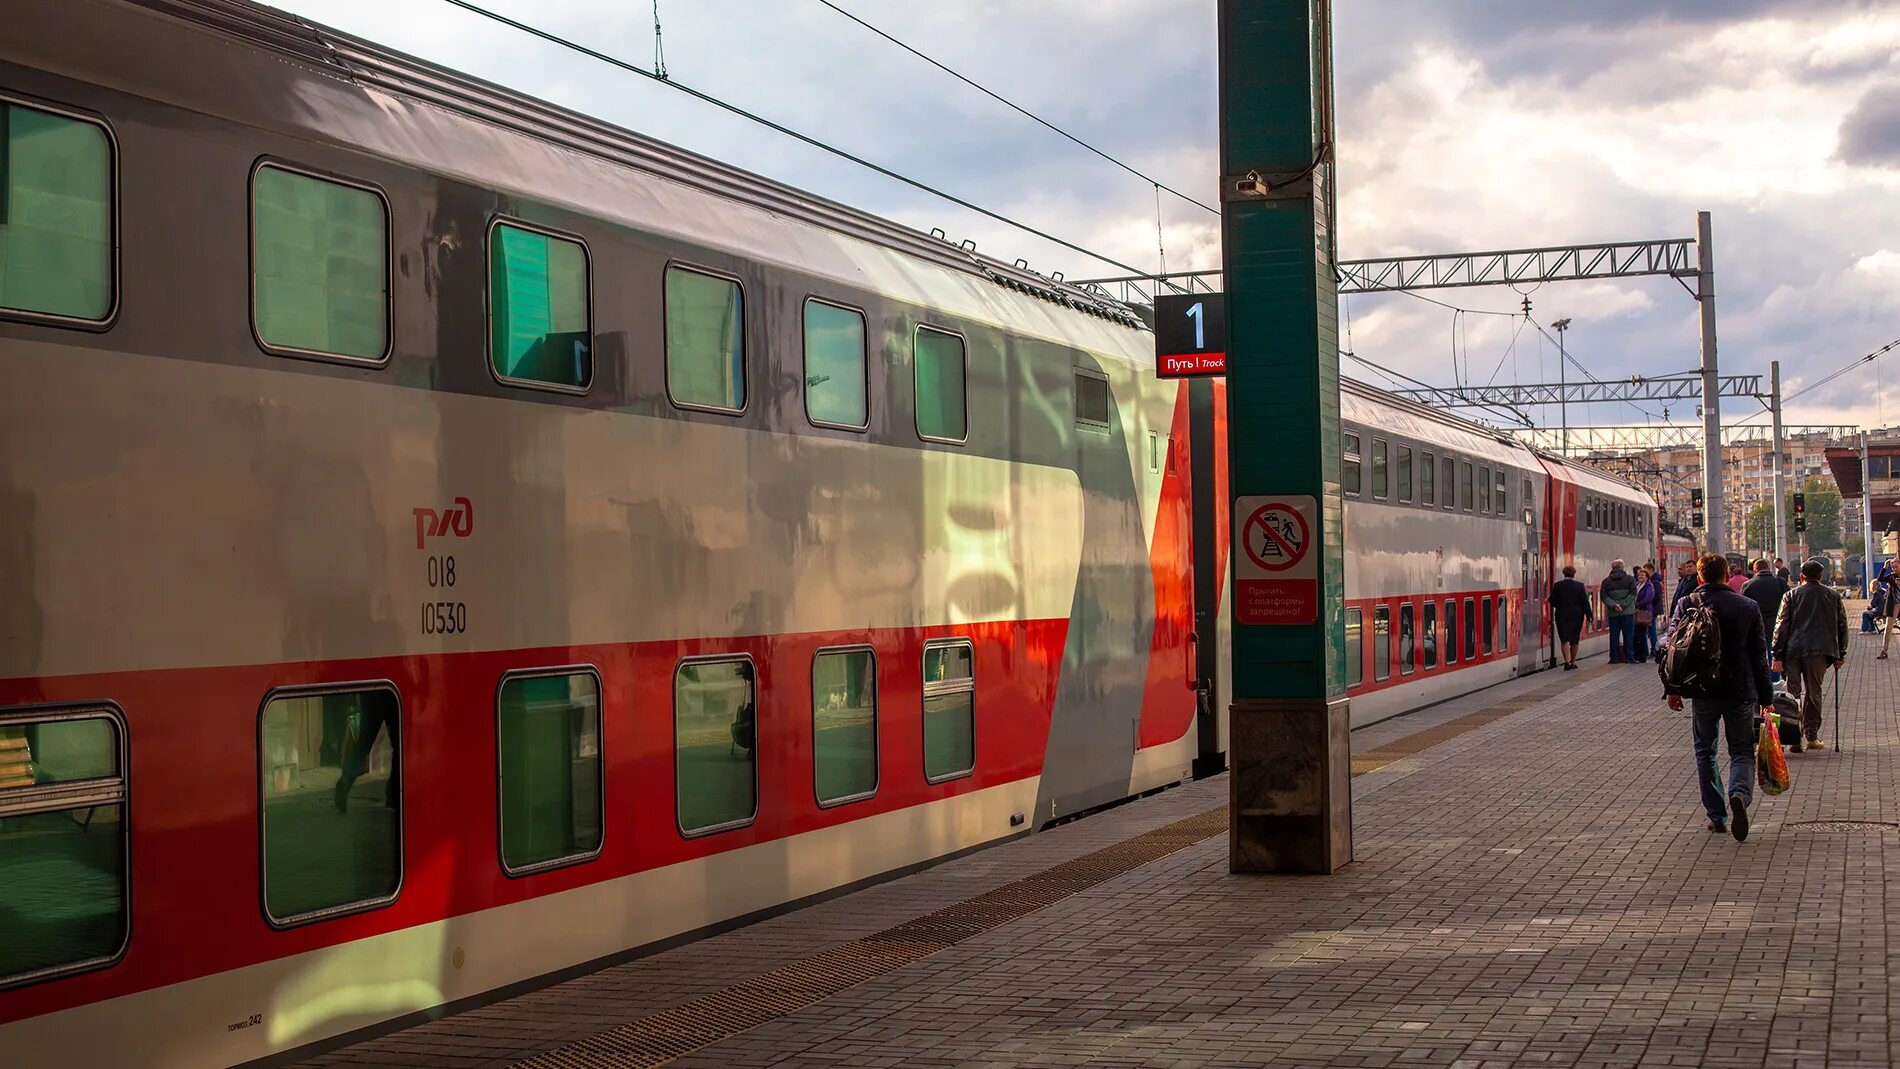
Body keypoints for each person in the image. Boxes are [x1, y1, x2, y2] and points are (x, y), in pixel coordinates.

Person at [1663, 553, 1774, 840]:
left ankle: (1717, 816)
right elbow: (1759, 657)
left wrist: (1673, 690)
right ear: (1727, 576)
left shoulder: (1686, 604)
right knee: (1741, 750)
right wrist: (1766, 696)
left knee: (1705, 752)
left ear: (1699, 577)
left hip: (1702, 690)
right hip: (1741, 691)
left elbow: (1672, 650)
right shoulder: (1748, 606)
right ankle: (1738, 793)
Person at [1773, 559, 1848, 751]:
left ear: (1801, 577)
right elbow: (1842, 625)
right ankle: (1811, 735)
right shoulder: (1833, 595)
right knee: (1814, 692)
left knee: (1793, 693)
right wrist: (1841, 653)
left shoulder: (1790, 595)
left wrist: (1777, 655)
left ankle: (1793, 737)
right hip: (1819, 651)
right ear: (1821, 577)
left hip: (1793, 651)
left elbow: (1781, 626)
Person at [1741, 558, 1790, 678]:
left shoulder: (1748, 585)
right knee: (1774, 655)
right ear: (1768, 568)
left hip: (1756, 626)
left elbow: (1741, 605)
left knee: (1758, 655)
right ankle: (1775, 681)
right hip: (1777, 625)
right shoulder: (1780, 583)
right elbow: (1790, 602)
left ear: (1755, 570)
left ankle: (1761, 681)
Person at [1549, 564, 1590, 670]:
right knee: (1575, 639)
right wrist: (1589, 615)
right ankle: (1573, 662)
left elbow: (1552, 600)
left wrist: (1560, 606)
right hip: (1577, 615)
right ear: (1574, 574)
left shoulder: (1558, 585)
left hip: (1562, 615)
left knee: (1565, 639)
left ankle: (1566, 662)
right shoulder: (1579, 586)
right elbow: (1585, 602)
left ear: (1564, 573)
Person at [1601, 559, 1638, 663]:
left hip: (1613, 613)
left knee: (1614, 636)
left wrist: (1614, 605)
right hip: (1627, 612)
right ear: (1622, 567)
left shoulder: (1606, 581)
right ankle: (1629, 657)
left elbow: (1604, 597)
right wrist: (1623, 604)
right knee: (1628, 635)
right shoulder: (1630, 579)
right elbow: (1633, 594)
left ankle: (1614, 657)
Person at [1633, 565, 1659, 662]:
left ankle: (1643, 655)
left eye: (1643, 575)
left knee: (1642, 633)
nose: (1641, 577)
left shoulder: (1649, 586)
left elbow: (1648, 598)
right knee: (1637, 633)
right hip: (1637, 612)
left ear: (1647, 577)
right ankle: (1638, 654)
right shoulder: (1637, 585)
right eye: (1639, 576)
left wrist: (1638, 604)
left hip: (1644, 612)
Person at [1878, 560, 1900, 658]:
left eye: (1896, 567)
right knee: (1888, 628)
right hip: (1894, 605)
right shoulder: (1891, 577)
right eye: (1892, 567)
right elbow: (1880, 579)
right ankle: (1884, 650)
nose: (1894, 569)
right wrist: (1884, 568)